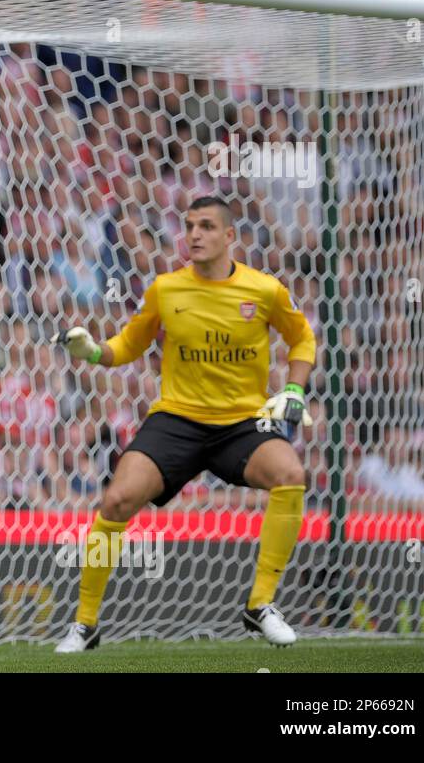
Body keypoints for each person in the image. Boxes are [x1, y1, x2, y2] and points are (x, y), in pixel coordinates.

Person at [54, 196, 317, 651]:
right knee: (116, 499)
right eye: (190, 225)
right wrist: (93, 352)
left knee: (291, 475)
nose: (194, 234)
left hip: (242, 422)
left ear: (230, 236)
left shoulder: (265, 290)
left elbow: (303, 339)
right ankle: (85, 623)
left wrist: (293, 389)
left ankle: (261, 604)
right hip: (177, 419)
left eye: (207, 226)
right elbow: (130, 345)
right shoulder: (166, 289)